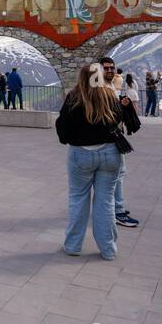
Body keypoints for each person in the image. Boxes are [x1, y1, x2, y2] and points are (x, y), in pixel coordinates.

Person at [56, 62, 139, 260]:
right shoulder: (110, 96)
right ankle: (108, 249)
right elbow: (118, 120)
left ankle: (73, 245)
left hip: (81, 154)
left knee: (78, 199)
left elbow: (63, 129)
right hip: (110, 153)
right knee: (106, 201)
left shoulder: (74, 98)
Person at [99, 57, 141, 230]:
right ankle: (118, 211)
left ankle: (111, 209)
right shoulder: (100, 89)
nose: (110, 71)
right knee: (117, 175)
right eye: (106, 68)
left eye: (112, 68)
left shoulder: (109, 87)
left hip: (115, 135)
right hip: (109, 138)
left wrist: (121, 104)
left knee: (117, 175)